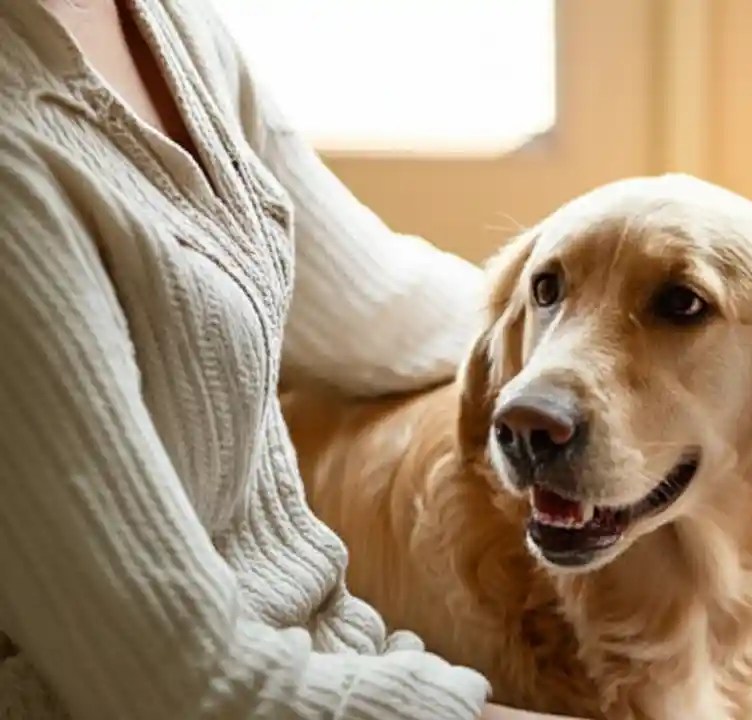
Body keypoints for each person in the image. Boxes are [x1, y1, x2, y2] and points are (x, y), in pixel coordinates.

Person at [0, 1, 584, 718]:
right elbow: (187, 689)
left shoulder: (165, 19)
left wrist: (592, 369)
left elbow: (376, 306)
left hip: (335, 659)